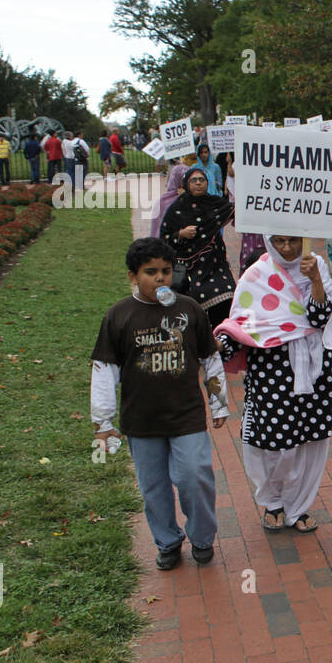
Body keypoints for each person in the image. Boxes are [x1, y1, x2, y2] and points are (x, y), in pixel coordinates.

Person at [91, 237, 229, 570]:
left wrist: (219, 403)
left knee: (195, 477)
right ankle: (167, 541)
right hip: (141, 421)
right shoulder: (118, 316)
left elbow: (209, 358)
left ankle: (201, 536)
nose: (160, 278)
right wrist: (103, 422)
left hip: (186, 415)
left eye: (166, 271)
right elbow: (104, 370)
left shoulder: (189, 309)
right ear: (132, 276)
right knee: (153, 487)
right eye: (150, 272)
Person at [215, 236, 332, 535]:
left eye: (294, 241)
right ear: (268, 241)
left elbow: (319, 317)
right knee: (270, 443)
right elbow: (240, 327)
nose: (287, 248)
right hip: (271, 374)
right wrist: (219, 345)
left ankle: (298, 506)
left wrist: (315, 282)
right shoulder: (256, 276)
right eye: (279, 241)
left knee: (310, 441)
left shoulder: (318, 266)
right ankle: (272, 501)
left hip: (315, 373)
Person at [159, 167, 236, 327]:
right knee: (192, 302)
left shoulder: (215, 203)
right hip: (190, 269)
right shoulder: (177, 209)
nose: (198, 183)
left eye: (202, 180)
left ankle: (219, 336)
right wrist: (180, 234)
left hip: (215, 263)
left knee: (226, 292)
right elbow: (164, 237)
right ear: (187, 184)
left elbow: (236, 210)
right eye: (194, 180)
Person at [149, 154, 198, 238]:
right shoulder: (163, 201)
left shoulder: (194, 197)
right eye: (183, 178)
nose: (186, 181)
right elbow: (158, 227)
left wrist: (187, 197)